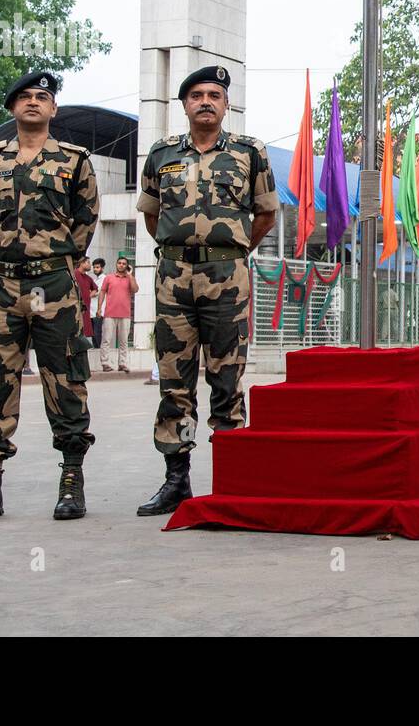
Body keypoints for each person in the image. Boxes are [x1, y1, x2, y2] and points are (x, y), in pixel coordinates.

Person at [135, 65, 278, 516]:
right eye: (196, 95)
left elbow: (265, 215)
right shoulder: (160, 155)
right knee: (174, 380)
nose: (205, 102)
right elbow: (152, 213)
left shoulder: (248, 152)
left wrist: (228, 252)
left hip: (227, 277)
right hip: (174, 278)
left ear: (226, 103)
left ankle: (231, 481)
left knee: (227, 378)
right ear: (184, 105)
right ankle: (176, 481)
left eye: (214, 94)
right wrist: (180, 250)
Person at [0, 71, 99, 524]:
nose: (34, 102)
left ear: (53, 109)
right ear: (13, 109)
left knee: (65, 378)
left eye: (43, 97)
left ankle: (72, 480)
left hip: (53, 286)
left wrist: (53, 259)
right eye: (25, 97)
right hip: (2, 287)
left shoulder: (75, 160)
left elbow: (85, 221)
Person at [98, 257, 137, 372]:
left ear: (127, 266)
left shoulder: (130, 278)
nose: (121, 265)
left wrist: (130, 275)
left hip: (125, 314)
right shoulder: (109, 278)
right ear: (116, 264)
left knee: (124, 341)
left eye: (124, 264)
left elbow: (135, 290)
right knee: (106, 339)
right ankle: (105, 363)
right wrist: (99, 308)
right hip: (110, 313)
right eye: (119, 263)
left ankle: (122, 364)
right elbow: (102, 292)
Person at [73, 257, 98, 339]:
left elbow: (95, 289)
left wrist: (88, 296)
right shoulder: (74, 274)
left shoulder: (88, 278)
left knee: (84, 331)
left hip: (85, 308)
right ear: (81, 263)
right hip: (74, 307)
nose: (90, 265)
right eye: (88, 262)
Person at [90, 257, 107, 348]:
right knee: (93, 332)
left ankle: (99, 349)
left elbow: (97, 292)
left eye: (97, 267)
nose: (95, 269)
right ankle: (95, 348)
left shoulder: (104, 279)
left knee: (97, 331)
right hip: (92, 310)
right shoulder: (95, 280)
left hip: (99, 310)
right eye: (94, 267)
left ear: (102, 268)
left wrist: (89, 293)